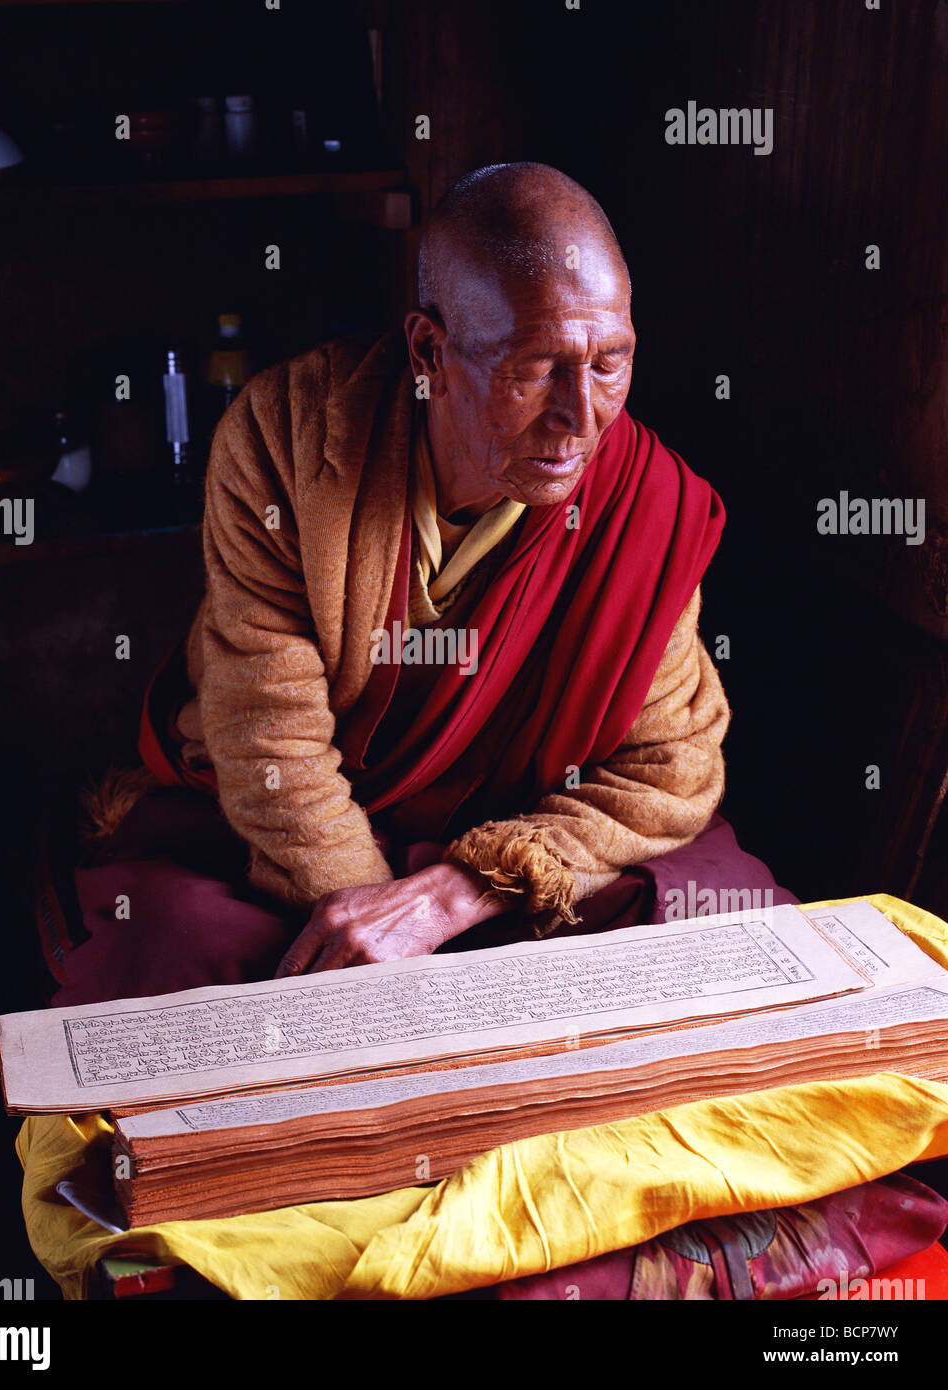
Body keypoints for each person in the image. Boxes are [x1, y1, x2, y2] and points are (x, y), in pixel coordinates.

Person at [53, 162, 794, 1008]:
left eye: (609, 363)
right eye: (533, 369)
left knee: (725, 916)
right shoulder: (286, 438)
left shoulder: (643, 500)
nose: (579, 417)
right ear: (428, 350)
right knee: (178, 945)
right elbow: (270, 731)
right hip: (319, 823)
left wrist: (454, 895)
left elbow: (668, 765)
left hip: (520, 822)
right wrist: (375, 936)